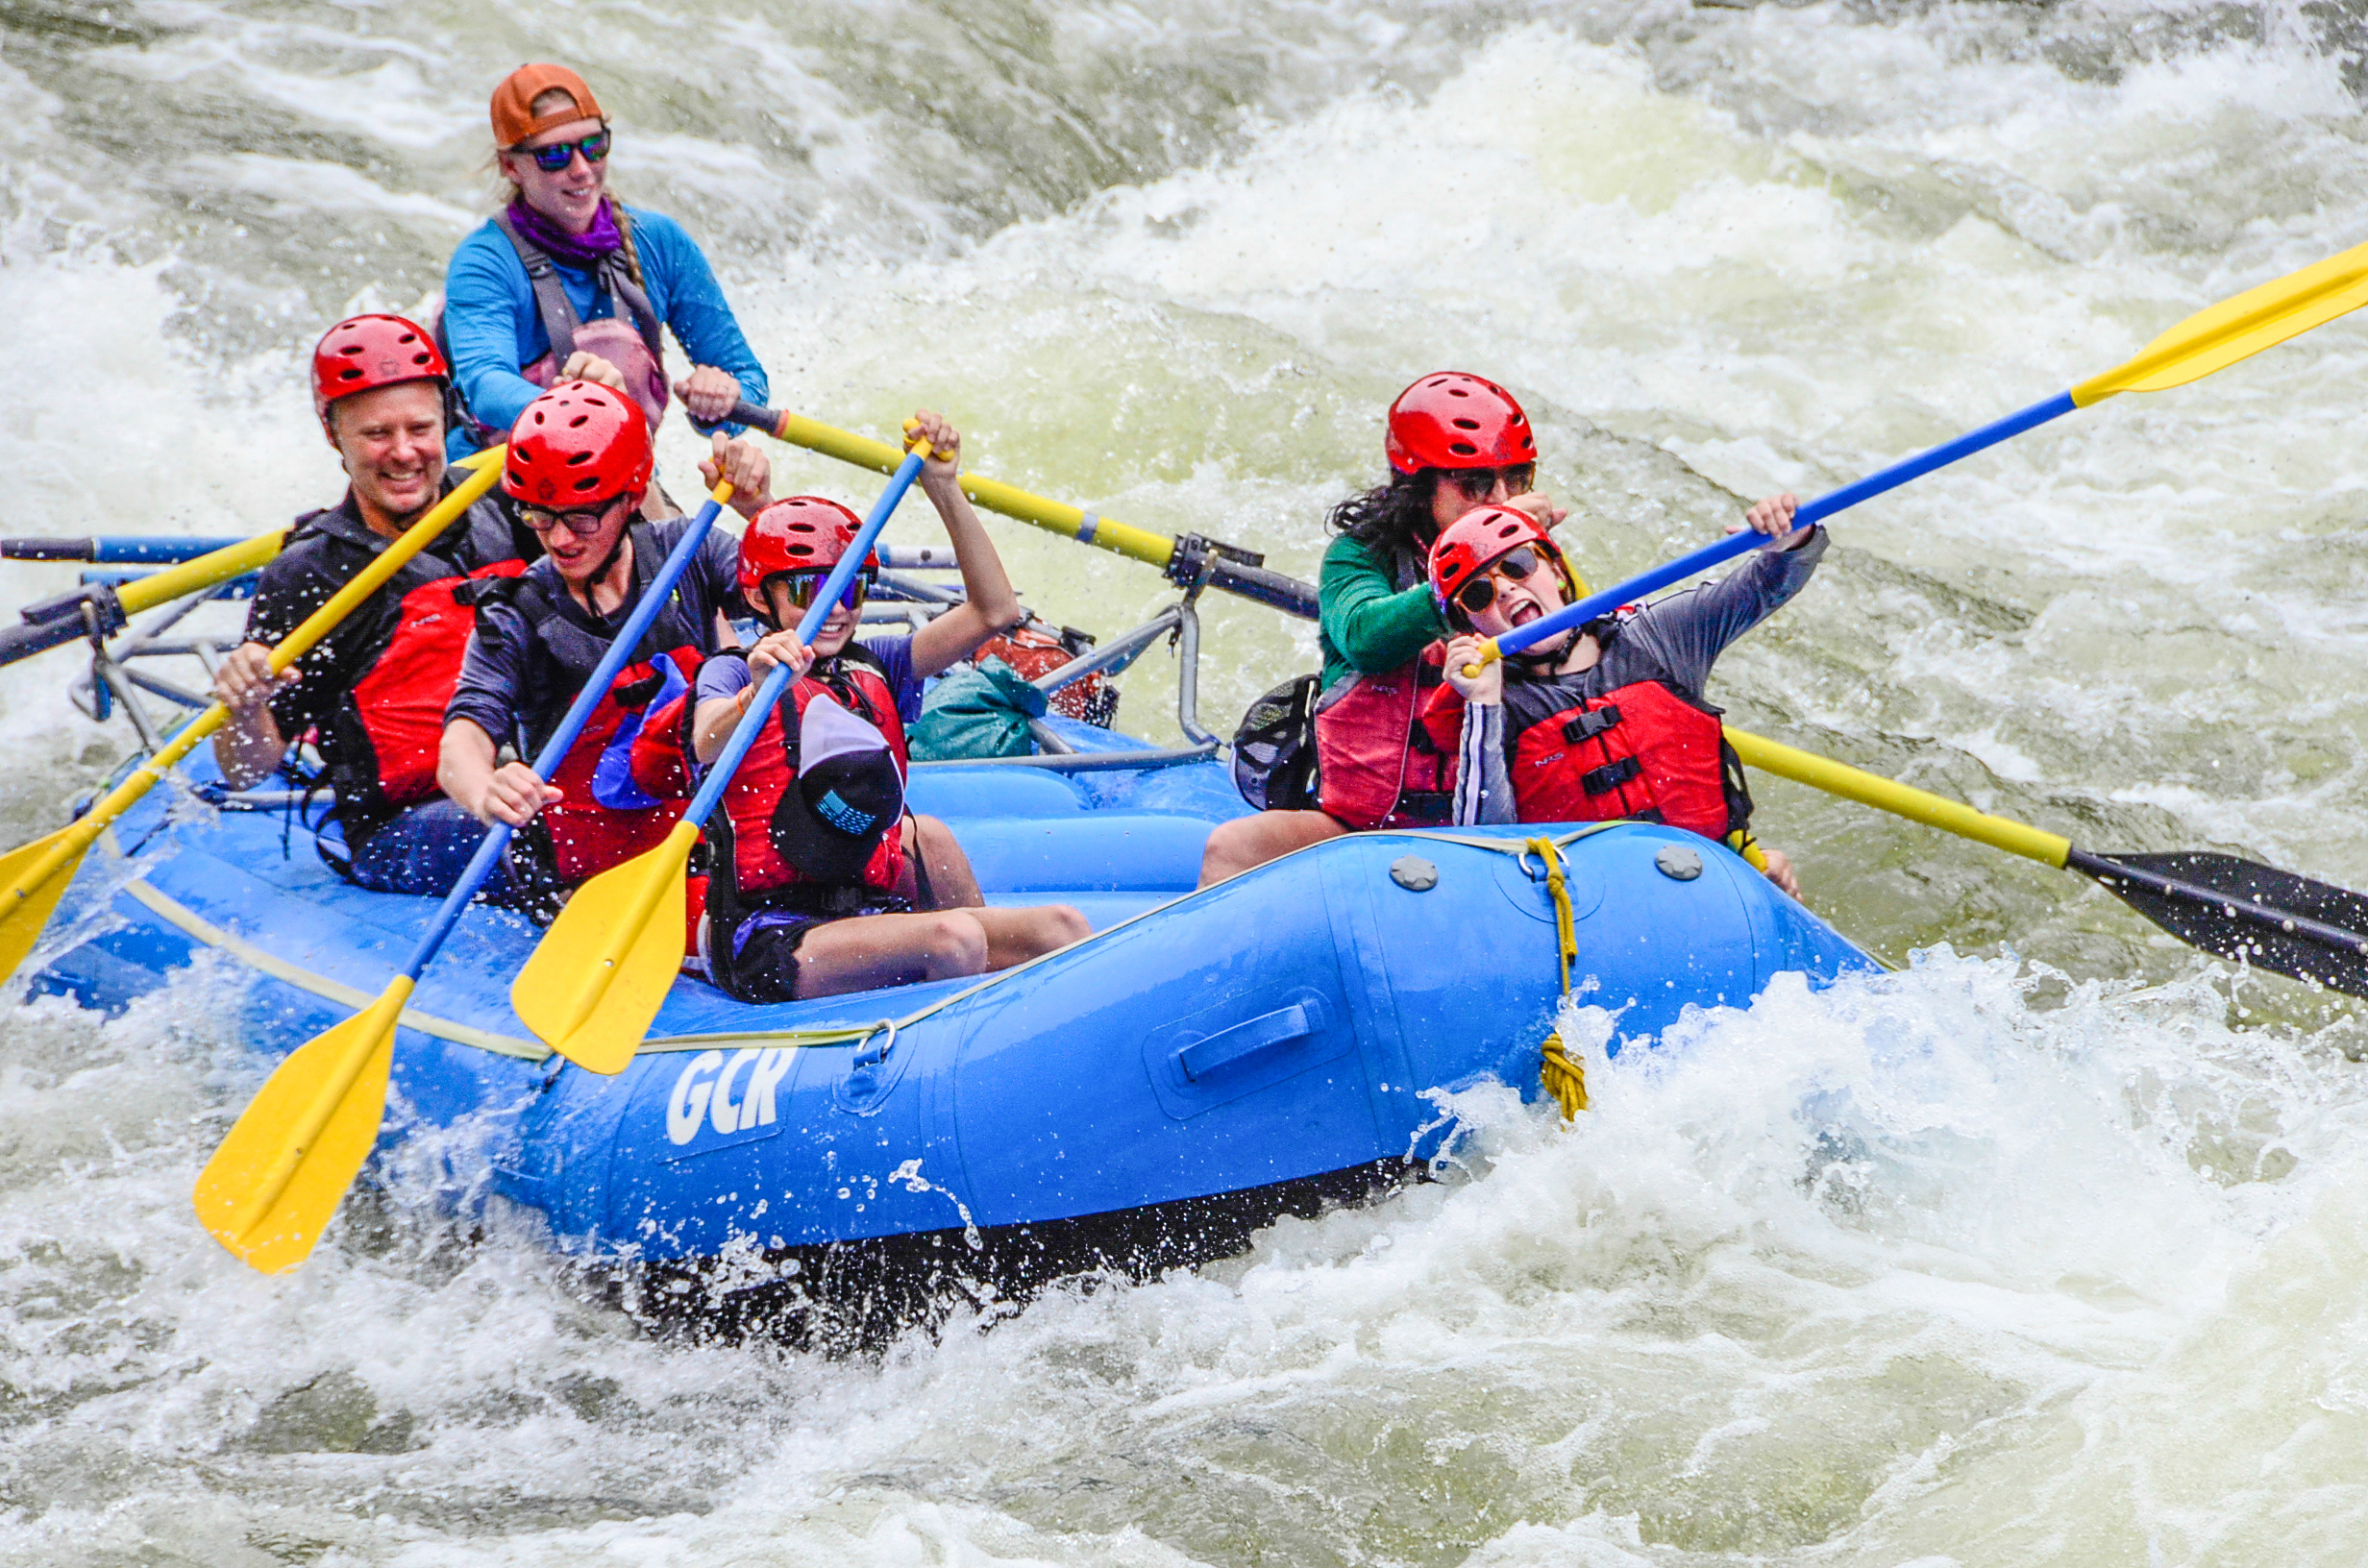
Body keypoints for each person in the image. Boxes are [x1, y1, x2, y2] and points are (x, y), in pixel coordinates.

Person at [672, 410, 1090, 1001]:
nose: (835, 608)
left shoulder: (876, 665)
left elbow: (993, 612)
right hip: (766, 934)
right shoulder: (736, 670)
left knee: (1061, 928)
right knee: (953, 941)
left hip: (866, 910)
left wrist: (944, 486)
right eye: (806, 591)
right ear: (756, 595)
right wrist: (755, 692)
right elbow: (707, 740)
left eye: (849, 589)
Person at [210, 313, 538, 895]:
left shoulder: (505, 501)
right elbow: (244, 768)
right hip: (404, 827)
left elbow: (642, 561)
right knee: (537, 831)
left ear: (448, 421)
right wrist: (244, 704)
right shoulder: (310, 572)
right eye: (377, 434)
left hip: (538, 771)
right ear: (333, 434)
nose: (404, 453)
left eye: (420, 428)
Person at [1198, 371, 1568, 885]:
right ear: (1420, 487)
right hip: (1359, 829)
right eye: (1477, 485)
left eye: (1519, 480)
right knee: (1232, 846)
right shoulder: (1358, 556)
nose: (1502, 501)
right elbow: (1366, 640)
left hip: (1489, 834)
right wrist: (1475, 558)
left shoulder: (1532, 561)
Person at [437, 379, 774, 906]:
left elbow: (816, 605)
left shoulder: (690, 550)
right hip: (594, 882)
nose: (561, 539)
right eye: (540, 517)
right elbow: (462, 740)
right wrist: (484, 790)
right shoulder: (513, 612)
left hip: (711, 844)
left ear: (634, 495)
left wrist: (761, 511)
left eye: (582, 516)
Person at [1424, 500, 1816, 896]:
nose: (1507, 588)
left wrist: (1793, 539)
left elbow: (1771, 582)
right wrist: (1482, 704)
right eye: (1478, 594)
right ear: (1471, 627)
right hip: (1588, 911)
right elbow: (1486, 853)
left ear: (1558, 572)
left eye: (1519, 565)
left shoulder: (1659, 639)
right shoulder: (1489, 708)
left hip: (1710, 883)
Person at [440, 62, 768, 466]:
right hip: (501, 478)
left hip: (616, 484)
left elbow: (748, 380)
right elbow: (486, 388)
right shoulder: (484, 261)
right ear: (511, 167)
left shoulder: (661, 241)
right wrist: (582, 409)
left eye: (594, 146)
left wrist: (721, 400)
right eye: (554, 155)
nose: (581, 169)